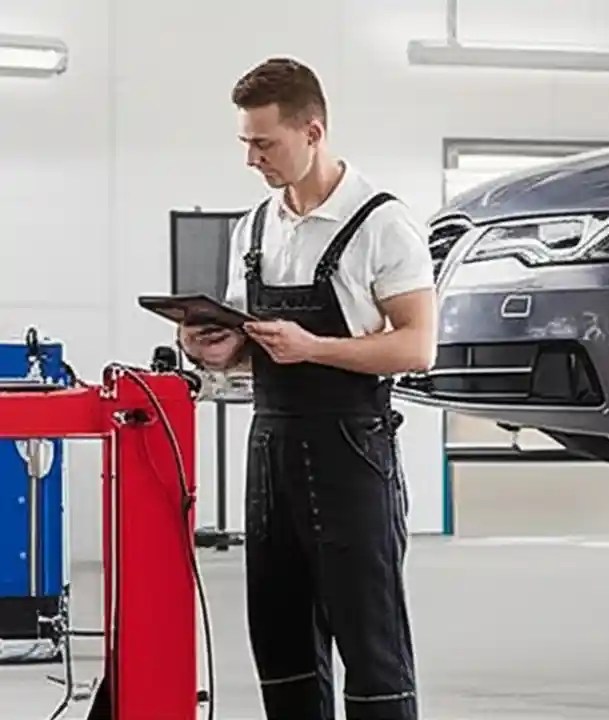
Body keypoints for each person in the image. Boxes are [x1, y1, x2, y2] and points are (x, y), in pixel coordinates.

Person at [176, 56, 436, 720]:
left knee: (370, 645)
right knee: (281, 640)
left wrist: (315, 346)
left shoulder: (383, 224)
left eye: (264, 143)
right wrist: (215, 348)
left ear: (313, 132)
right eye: (245, 143)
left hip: (353, 450)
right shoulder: (253, 229)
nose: (251, 159)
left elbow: (416, 346)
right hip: (271, 451)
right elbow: (248, 352)